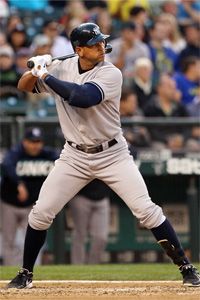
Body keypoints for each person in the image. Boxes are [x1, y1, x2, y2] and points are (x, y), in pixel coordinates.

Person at [7, 22, 200, 289]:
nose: (101, 46)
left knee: (146, 211)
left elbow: (82, 97)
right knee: (41, 213)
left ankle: (187, 268)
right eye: (94, 44)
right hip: (74, 156)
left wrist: (46, 76)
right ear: (78, 50)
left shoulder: (111, 73)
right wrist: (37, 68)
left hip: (112, 154)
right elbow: (23, 85)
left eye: (101, 42)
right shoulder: (62, 67)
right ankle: (26, 273)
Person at [0, 127, 58, 265]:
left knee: (32, 238)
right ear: (25, 142)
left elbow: (61, 160)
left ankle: (31, 270)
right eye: (32, 141)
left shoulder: (47, 154)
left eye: (38, 141)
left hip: (30, 205)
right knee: (9, 240)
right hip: (9, 203)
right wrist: (19, 184)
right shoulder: (16, 152)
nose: (35, 145)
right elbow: (7, 165)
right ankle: (9, 269)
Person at [69, 179, 110, 264]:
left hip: (102, 197)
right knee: (80, 234)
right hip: (81, 196)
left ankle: (93, 267)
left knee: (101, 237)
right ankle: (77, 268)